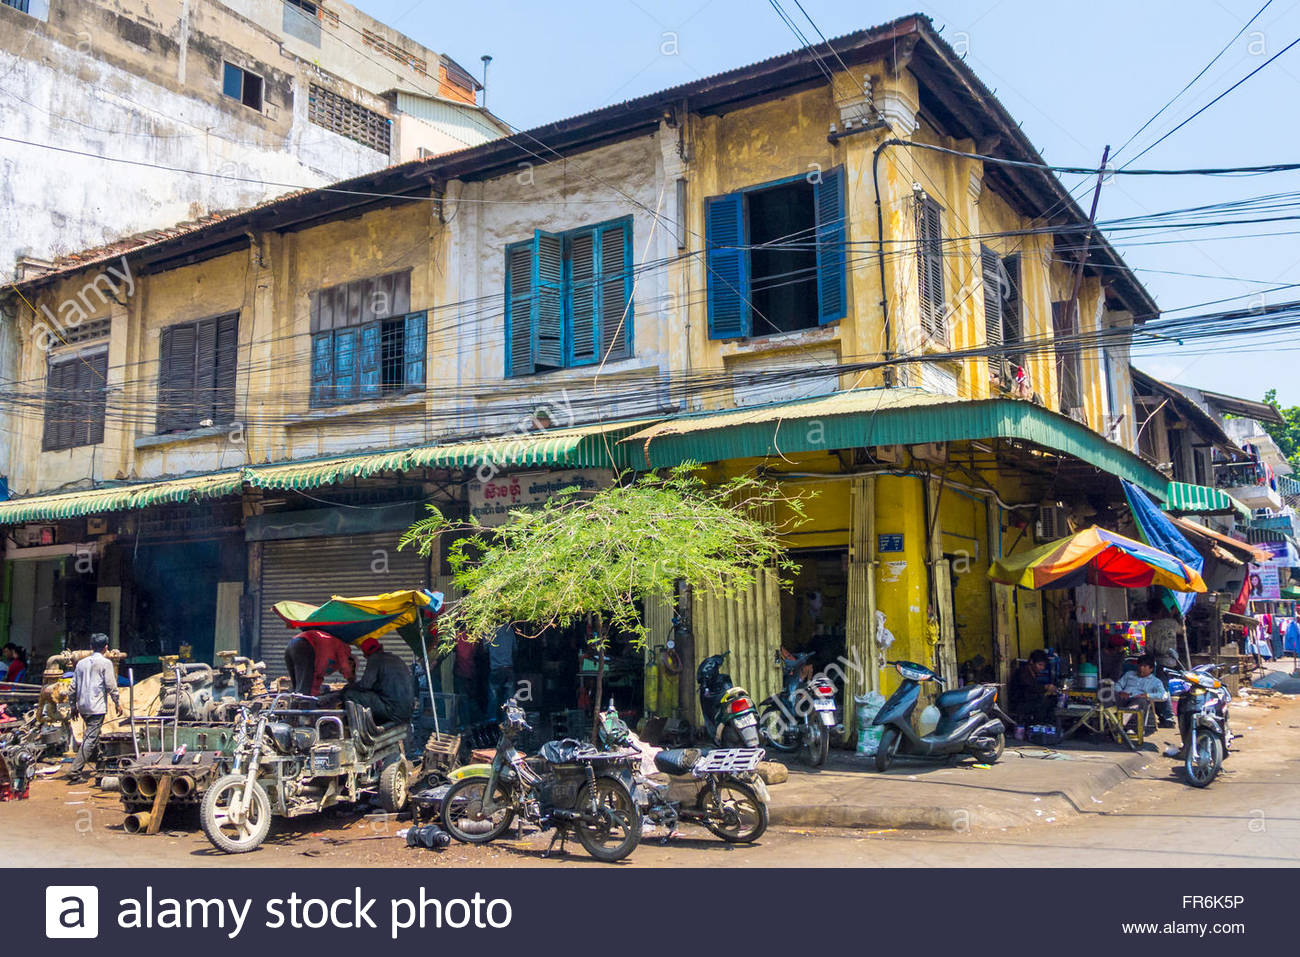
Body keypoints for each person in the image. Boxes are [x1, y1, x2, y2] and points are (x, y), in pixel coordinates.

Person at [65, 634, 121, 782]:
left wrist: (73, 707)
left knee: (94, 735)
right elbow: (111, 685)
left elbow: (72, 688)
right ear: (106, 647)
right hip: (97, 707)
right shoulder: (106, 663)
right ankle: (75, 771)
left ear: (91, 647)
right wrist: (117, 703)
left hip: (83, 706)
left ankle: (101, 766)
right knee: (90, 738)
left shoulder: (81, 664)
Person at [341, 637, 415, 726]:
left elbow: (365, 685)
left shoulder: (375, 658)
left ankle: (355, 729)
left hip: (393, 710)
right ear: (381, 647)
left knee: (350, 694)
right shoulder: (395, 658)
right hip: (408, 711)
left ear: (366, 655)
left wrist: (348, 687)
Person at [283, 629, 356, 697]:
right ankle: (302, 704)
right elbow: (345, 667)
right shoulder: (344, 648)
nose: (342, 675)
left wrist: (315, 694)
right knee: (304, 692)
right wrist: (351, 681)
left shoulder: (332, 663)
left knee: (297, 688)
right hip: (305, 644)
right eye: (353, 669)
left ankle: (296, 704)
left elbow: (317, 676)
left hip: (292, 645)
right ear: (351, 662)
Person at [1113, 654, 1174, 729]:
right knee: (1107, 692)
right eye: (1140, 665)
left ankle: (1119, 724)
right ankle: (1106, 720)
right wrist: (1120, 691)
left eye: (1145, 666)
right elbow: (1118, 685)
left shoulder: (1156, 682)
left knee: (1140, 701)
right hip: (1123, 698)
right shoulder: (1129, 674)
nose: (1141, 668)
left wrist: (1147, 695)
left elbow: (1163, 695)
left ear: (1151, 669)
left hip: (1138, 701)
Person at [1008, 650, 1057, 725]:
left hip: (1027, 702)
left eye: (1043, 666)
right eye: (1040, 665)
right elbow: (1029, 688)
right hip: (1019, 705)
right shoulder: (1022, 672)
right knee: (1043, 702)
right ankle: (1038, 726)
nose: (1042, 668)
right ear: (1031, 662)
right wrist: (1045, 687)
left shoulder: (1032, 673)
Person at [487, 622, 518, 717]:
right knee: (509, 699)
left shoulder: (490, 631)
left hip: (495, 669)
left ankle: (493, 720)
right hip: (508, 669)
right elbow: (515, 649)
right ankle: (509, 720)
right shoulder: (509, 630)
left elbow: (484, 649)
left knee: (494, 698)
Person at [1144, 601, 1183, 668]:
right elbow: (1183, 631)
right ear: (1162, 610)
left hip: (1158, 662)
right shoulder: (1172, 623)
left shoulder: (1150, 627)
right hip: (1173, 660)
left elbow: (1149, 648)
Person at [452, 627, 480, 723]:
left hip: (461, 671)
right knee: (470, 698)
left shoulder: (458, 636)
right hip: (471, 671)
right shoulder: (473, 637)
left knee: (463, 699)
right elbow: (477, 652)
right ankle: (475, 721)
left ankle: (465, 723)